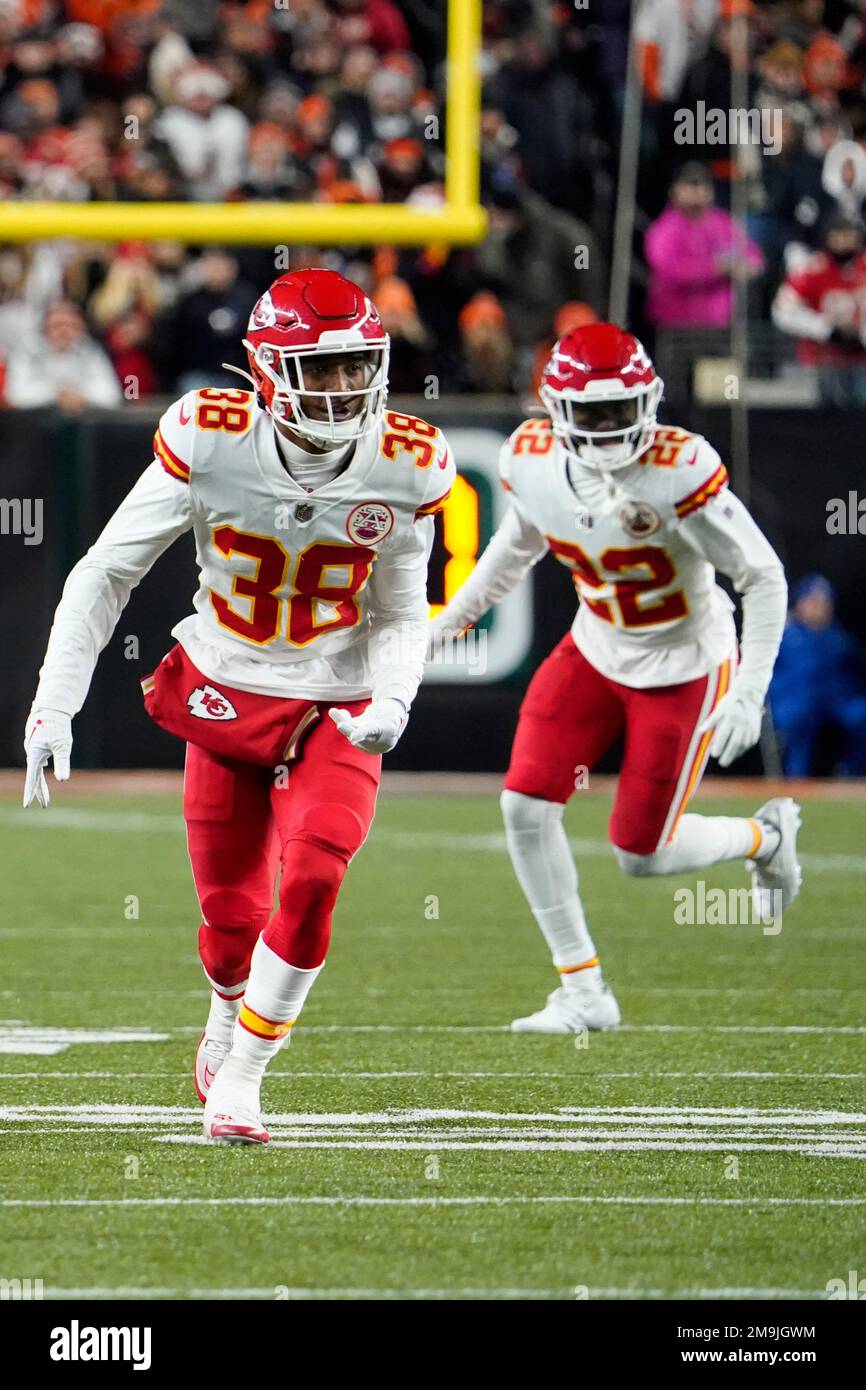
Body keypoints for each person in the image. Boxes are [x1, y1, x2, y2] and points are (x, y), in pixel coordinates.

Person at [23, 267, 455, 1142]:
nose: (342, 388)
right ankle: (225, 1014)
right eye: (320, 368)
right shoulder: (209, 436)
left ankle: (245, 1080)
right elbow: (108, 570)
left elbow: (404, 611)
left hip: (337, 694)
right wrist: (54, 702)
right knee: (230, 925)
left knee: (318, 873)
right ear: (264, 370)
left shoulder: (406, 462)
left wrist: (396, 696)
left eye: (354, 366)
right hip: (228, 683)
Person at [430, 322, 800, 1034]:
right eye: (592, 414)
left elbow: (762, 576)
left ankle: (767, 839)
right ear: (556, 411)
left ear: (649, 402)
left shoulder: (680, 468)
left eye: (621, 410)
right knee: (523, 807)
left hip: (685, 663)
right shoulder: (532, 459)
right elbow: (516, 545)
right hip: (596, 648)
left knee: (641, 854)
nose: (608, 428)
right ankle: (582, 990)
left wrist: (750, 691)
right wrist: (444, 627)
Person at [768, 574, 866, 777]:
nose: (818, 608)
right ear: (800, 603)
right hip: (794, 701)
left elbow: (853, 672)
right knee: (800, 720)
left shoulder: (837, 636)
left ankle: (851, 775)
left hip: (833, 701)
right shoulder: (784, 635)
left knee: (860, 715)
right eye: (812, 602)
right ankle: (796, 782)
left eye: (823, 603)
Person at [772, 214, 866, 406]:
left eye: (848, 237)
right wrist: (825, 329)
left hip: (862, 357)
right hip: (821, 358)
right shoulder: (811, 269)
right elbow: (782, 310)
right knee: (826, 415)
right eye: (837, 237)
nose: (843, 244)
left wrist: (861, 333)